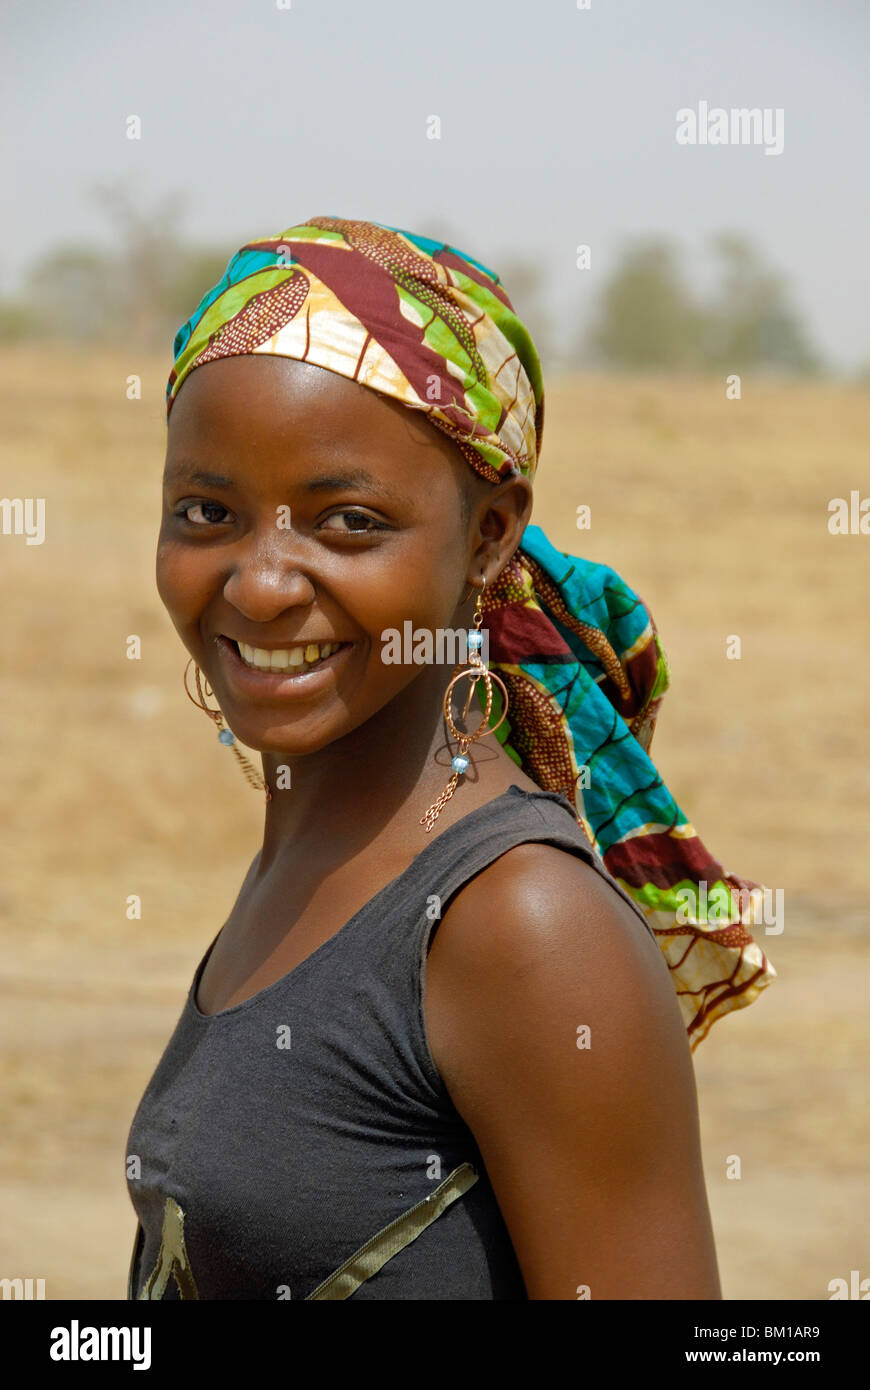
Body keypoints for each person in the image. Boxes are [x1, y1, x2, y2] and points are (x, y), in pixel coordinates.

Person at [125, 216, 775, 1301]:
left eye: (346, 522)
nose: (260, 582)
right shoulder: (319, 857)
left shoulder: (522, 927)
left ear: (488, 537)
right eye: (208, 512)